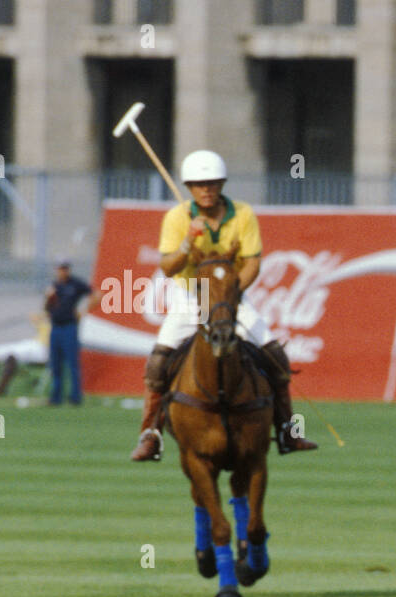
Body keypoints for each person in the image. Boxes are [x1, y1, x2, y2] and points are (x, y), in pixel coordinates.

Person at [129, 149, 316, 461]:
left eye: (213, 183)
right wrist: (188, 242)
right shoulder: (177, 218)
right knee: (158, 364)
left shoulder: (243, 214)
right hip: (191, 298)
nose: (207, 190)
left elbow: (253, 263)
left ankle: (287, 430)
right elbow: (168, 267)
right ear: (189, 187)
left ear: (222, 184)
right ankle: (150, 434)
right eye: (199, 184)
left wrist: (229, 293)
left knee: (276, 356)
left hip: (231, 298)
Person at [43, 261, 99, 406]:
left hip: (69, 327)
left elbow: (95, 295)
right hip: (55, 327)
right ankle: (56, 397)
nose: (62, 272)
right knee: (55, 363)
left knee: (72, 363)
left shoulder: (75, 284)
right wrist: (48, 301)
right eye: (60, 269)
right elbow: (47, 307)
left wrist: (84, 311)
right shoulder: (54, 286)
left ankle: (75, 397)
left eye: (64, 269)